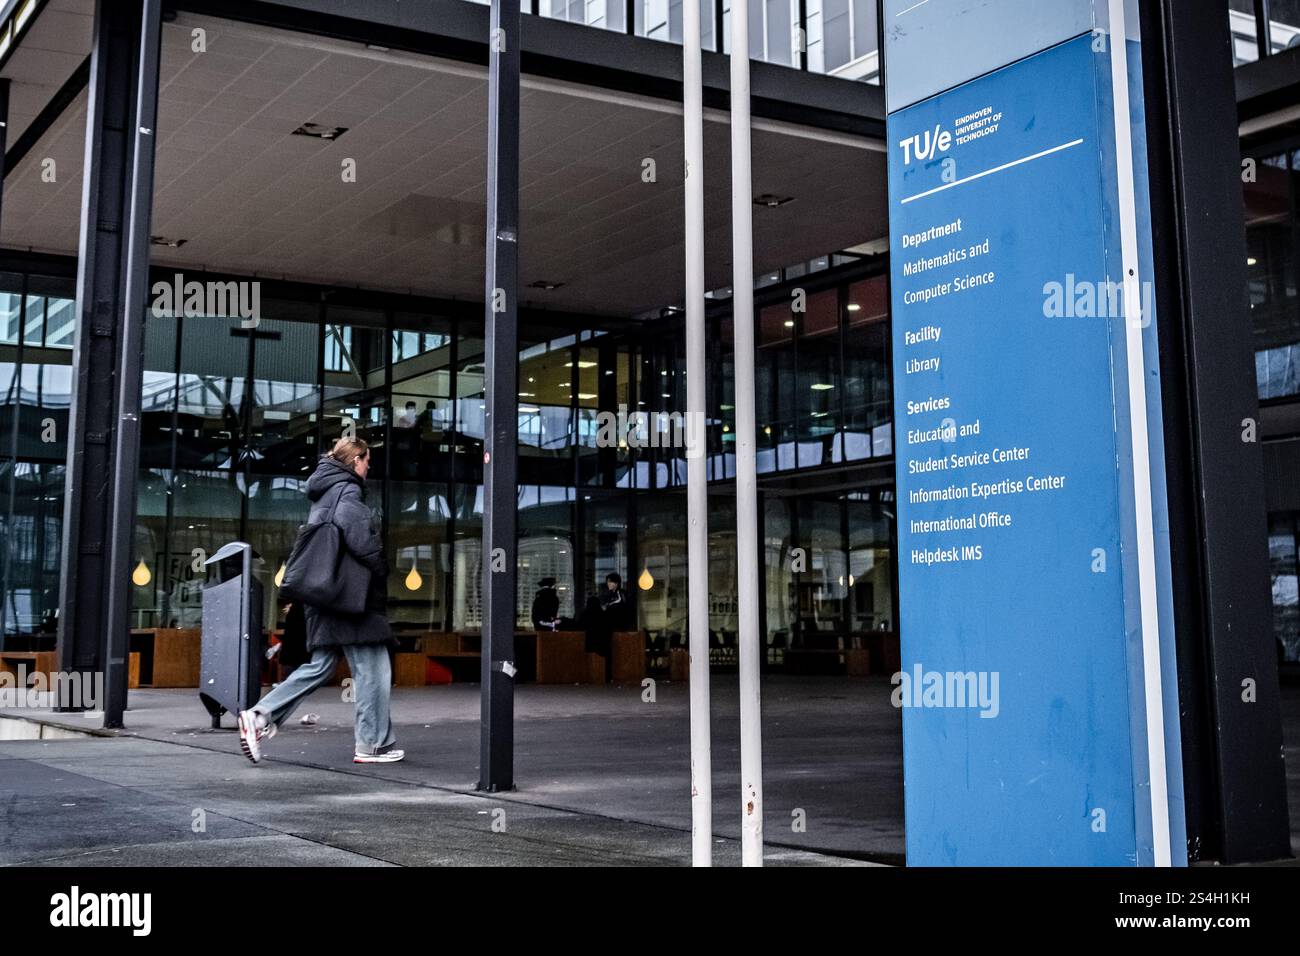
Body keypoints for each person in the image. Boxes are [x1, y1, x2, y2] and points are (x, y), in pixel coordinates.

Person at [238, 438, 403, 765]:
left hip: (327, 597)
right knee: (373, 669)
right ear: (356, 460)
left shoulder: (325, 491)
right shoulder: (347, 491)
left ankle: (259, 715)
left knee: (320, 666)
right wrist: (380, 567)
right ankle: (371, 745)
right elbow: (358, 536)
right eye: (367, 461)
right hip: (350, 599)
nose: (369, 467)